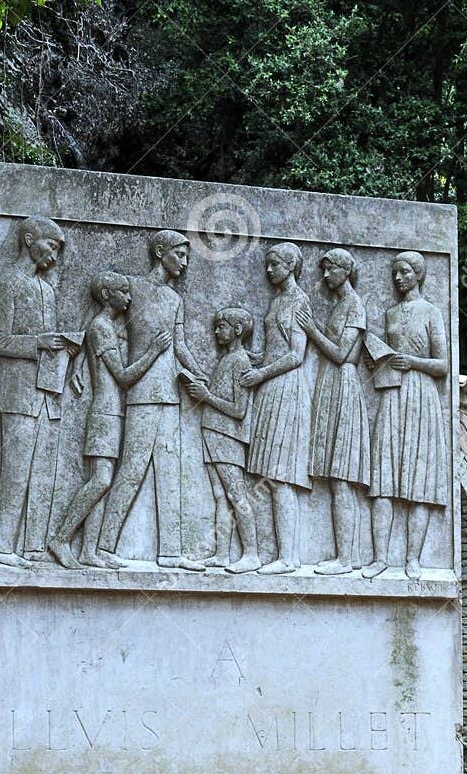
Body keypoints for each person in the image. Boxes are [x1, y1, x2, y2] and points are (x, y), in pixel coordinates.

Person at [96, 229, 206, 569]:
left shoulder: (175, 299)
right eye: (180, 254)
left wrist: (202, 374)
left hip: (169, 393)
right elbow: (107, 319)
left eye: (188, 257)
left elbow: (180, 345)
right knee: (132, 469)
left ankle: (171, 553)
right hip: (141, 393)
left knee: (170, 471)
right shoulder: (133, 289)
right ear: (160, 252)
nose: (185, 263)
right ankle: (103, 546)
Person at [47, 274, 172, 569]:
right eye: (123, 292)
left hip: (113, 412)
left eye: (130, 292)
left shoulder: (108, 327)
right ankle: (61, 538)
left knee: (104, 482)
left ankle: (90, 551)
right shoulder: (101, 327)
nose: (129, 298)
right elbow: (124, 377)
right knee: (101, 480)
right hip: (104, 412)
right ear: (106, 294)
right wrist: (154, 351)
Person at [0, 215, 83, 566]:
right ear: (29, 240)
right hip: (18, 391)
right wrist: (40, 343)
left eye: (59, 250)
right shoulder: (9, 281)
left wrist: (64, 348)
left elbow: (46, 343)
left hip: (48, 389)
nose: (55, 256)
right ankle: (1, 547)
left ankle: (32, 548)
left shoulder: (47, 288)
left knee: (43, 472)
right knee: (16, 469)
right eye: (51, 246)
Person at [364, 250, 449, 579]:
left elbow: (442, 365)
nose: (398, 278)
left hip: (420, 395)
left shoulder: (430, 312)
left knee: (419, 480)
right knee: (383, 478)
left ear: (418, 274)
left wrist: (412, 362)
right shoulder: (390, 313)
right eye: (394, 273)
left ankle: (413, 559)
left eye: (404, 272)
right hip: (392, 393)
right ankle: (380, 558)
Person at [299, 247, 370, 574]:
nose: (325, 276)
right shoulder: (342, 305)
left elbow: (343, 354)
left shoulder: (354, 305)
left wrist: (312, 330)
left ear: (345, 270)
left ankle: (346, 558)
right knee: (334, 476)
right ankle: (346, 555)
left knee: (342, 477)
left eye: (330, 269)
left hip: (344, 384)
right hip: (331, 386)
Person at [242, 242, 311, 574]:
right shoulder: (277, 301)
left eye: (274, 264)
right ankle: (282, 554)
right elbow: (274, 349)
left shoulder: (299, 301)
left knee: (280, 476)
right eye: (266, 265)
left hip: (286, 389)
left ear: (290, 265)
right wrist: (253, 360)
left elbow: (297, 355)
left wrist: (261, 374)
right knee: (269, 475)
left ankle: (289, 557)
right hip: (270, 386)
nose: (268, 270)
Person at [187, 306, 261, 573]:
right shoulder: (226, 360)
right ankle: (222, 555)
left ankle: (252, 554)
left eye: (222, 326)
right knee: (220, 496)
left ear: (237, 330)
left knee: (236, 494)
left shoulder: (240, 361)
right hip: (212, 431)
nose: (217, 331)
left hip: (228, 435)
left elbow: (239, 410)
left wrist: (205, 396)